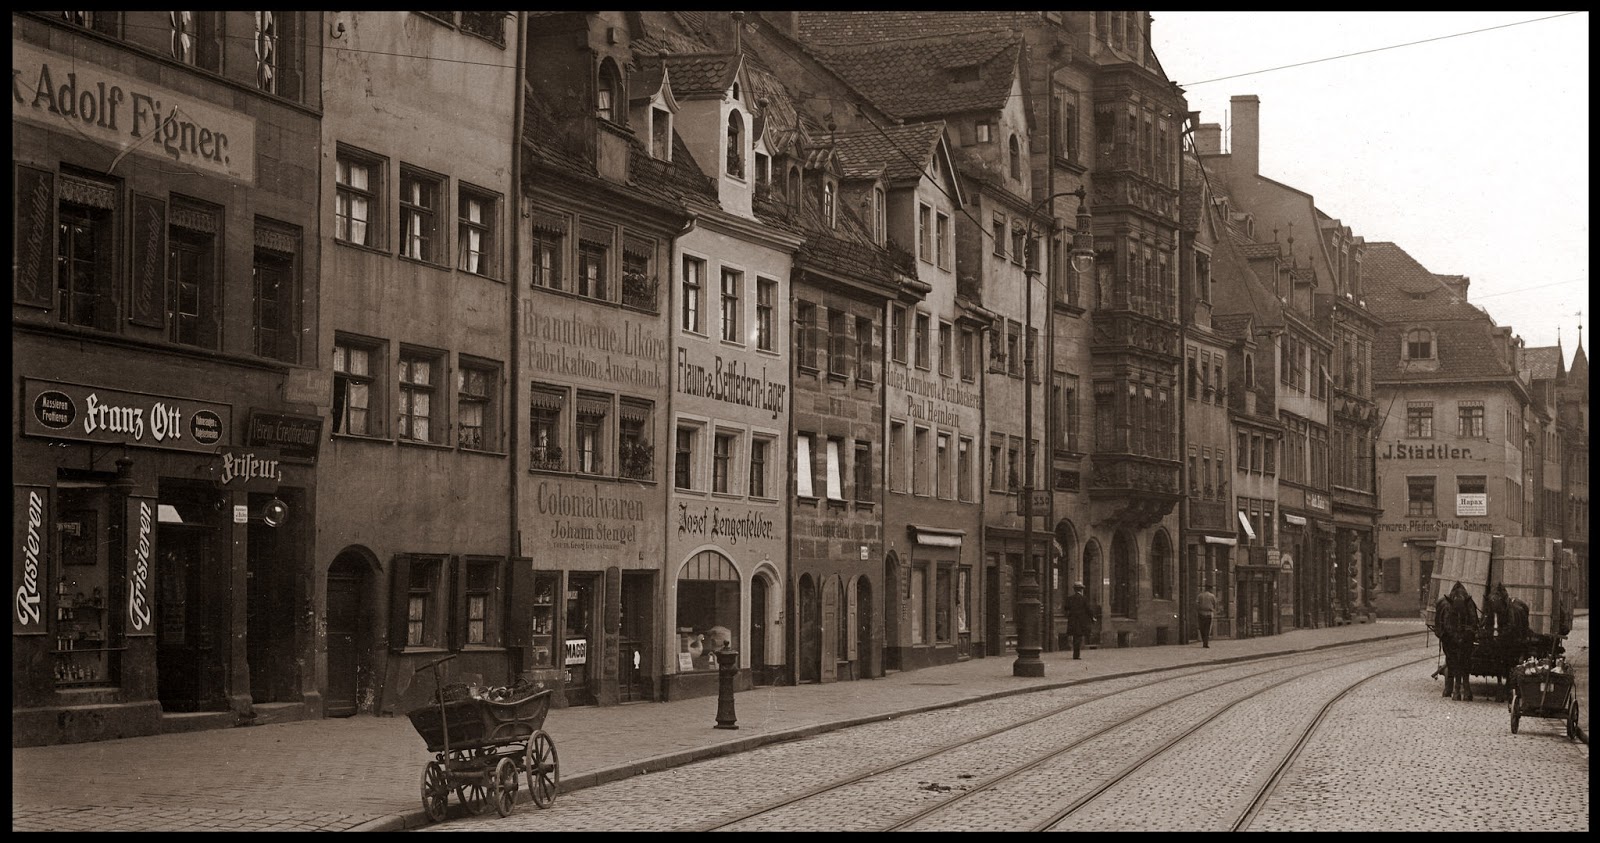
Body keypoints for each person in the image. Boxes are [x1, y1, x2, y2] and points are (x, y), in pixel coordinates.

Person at [1063, 582, 1094, 659]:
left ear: (1074, 589)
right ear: (1081, 590)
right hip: (1080, 622)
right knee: (1078, 638)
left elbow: (1066, 608)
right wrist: (1092, 617)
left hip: (1072, 621)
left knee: (1075, 637)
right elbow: (1088, 609)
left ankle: (1075, 654)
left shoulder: (1070, 598)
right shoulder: (1084, 599)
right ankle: (1076, 655)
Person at [1196, 584, 1218, 648]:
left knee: (1202, 628)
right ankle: (1205, 642)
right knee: (1207, 629)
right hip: (1209, 614)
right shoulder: (1212, 596)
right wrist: (1213, 609)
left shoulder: (1200, 595)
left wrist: (1198, 610)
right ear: (1210, 589)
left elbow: (1197, 604)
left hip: (1201, 613)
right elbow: (1215, 604)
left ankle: (1204, 640)